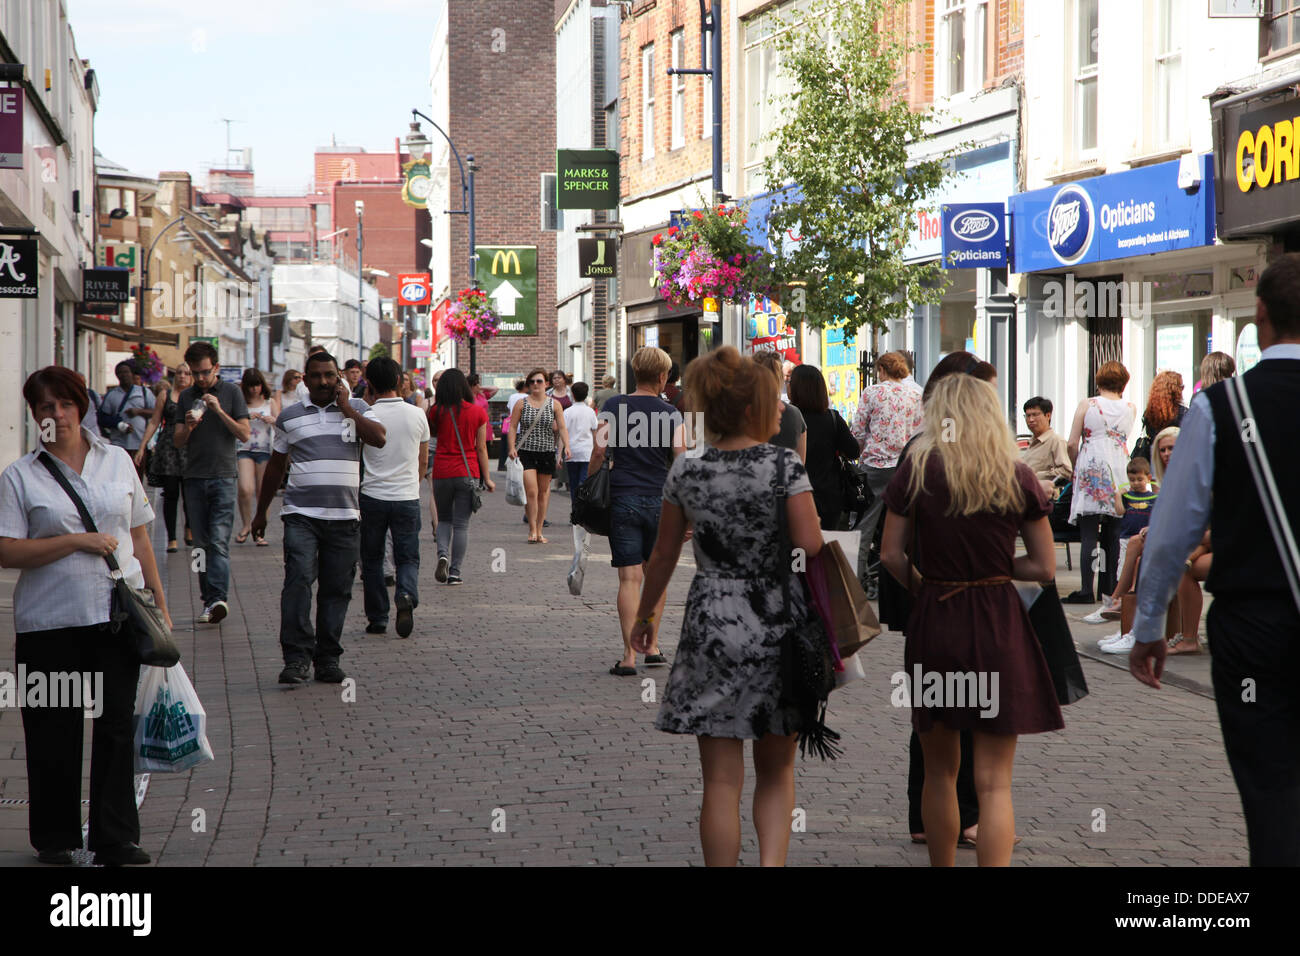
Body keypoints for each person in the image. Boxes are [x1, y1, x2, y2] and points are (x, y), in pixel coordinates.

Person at [1129, 253, 1300, 866]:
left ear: (1258, 318)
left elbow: (1172, 530)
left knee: (1273, 794)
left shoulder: (1223, 408)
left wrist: (1150, 627)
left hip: (1256, 627)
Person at [631, 346, 821, 866]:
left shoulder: (688, 468)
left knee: (718, 780)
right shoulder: (783, 465)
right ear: (749, 408)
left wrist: (646, 618)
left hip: (711, 618)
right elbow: (810, 544)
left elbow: (664, 554)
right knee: (778, 770)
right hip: (776, 617)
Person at [880, 373, 1061, 867]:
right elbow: (1044, 568)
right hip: (998, 623)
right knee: (995, 781)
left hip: (937, 621)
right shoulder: (1014, 473)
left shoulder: (918, 468)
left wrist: (929, 584)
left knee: (940, 771)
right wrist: (995, 569)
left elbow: (890, 555)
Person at [0, 366, 169, 866]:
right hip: (49, 624)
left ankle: (115, 838)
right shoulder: (19, 476)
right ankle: (55, 838)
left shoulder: (117, 461)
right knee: (54, 728)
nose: (56, 415)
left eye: (65, 404)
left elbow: (140, 536)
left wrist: (159, 603)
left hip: (115, 618)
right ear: (34, 417)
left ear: (82, 406)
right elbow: (7, 551)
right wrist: (76, 541)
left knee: (116, 727)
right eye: (45, 408)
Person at [251, 351, 386, 685]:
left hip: (345, 517)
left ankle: (327, 658)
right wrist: (261, 513)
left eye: (329, 375)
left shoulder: (359, 410)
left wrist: (347, 408)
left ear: (338, 376)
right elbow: (276, 467)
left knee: (337, 589)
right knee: (298, 581)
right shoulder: (290, 418)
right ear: (305, 379)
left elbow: (379, 439)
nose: (323, 382)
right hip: (301, 515)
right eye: (316, 376)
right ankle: (296, 658)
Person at [589, 346, 683, 677]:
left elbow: (599, 451)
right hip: (661, 501)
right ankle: (653, 647)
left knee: (629, 578)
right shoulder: (671, 413)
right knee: (655, 575)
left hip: (624, 498)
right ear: (662, 377)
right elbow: (682, 459)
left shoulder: (612, 405)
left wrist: (588, 488)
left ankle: (628, 655)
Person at [174, 341, 250, 625]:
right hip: (194, 478)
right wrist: (189, 428)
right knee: (200, 545)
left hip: (223, 476)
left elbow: (244, 434)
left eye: (205, 372)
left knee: (217, 541)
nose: (201, 379)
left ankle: (218, 598)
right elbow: (178, 441)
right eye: (196, 373)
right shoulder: (186, 397)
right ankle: (209, 600)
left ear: (216, 367)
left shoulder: (231, 392)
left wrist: (218, 411)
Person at [359, 357, 429, 637]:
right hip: (406, 496)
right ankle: (406, 594)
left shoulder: (366, 415)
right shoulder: (417, 414)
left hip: (372, 495)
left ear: (370, 384)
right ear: (400, 381)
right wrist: (413, 483)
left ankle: (377, 617)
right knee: (408, 556)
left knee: (373, 559)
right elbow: (423, 461)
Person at [850, 350, 925, 592]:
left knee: (863, 527)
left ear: (882, 370)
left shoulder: (872, 392)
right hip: (905, 468)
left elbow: (858, 431)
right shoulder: (915, 394)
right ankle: (905, 584)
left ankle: (855, 584)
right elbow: (919, 433)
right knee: (905, 529)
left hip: (875, 466)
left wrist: (857, 455)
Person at [1064, 360, 1136, 606]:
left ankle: (1086, 588)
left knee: (1088, 533)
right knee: (1114, 532)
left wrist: (1074, 466)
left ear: (1099, 380)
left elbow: (1072, 443)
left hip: (1092, 467)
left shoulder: (1088, 404)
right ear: (1124, 382)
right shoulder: (1130, 407)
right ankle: (1109, 588)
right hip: (1118, 468)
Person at [429, 368, 494, 587]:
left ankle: (442, 555)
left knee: (444, 519)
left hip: (441, 472)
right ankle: (455, 572)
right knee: (462, 525)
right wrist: (488, 478)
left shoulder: (435, 411)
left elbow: (434, 435)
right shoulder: (477, 412)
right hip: (467, 472)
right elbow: (482, 448)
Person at [1086, 457, 1157, 627]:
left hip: (1144, 539)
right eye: (1132, 480)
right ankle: (1116, 605)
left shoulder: (1154, 496)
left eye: (1140, 479)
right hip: (1127, 538)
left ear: (1148, 478)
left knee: (1137, 573)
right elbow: (1119, 512)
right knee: (1123, 571)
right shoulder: (1127, 496)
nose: (1136, 483)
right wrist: (1117, 495)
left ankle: (1115, 604)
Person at [787, 364, 860, 530]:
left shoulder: (787, 419)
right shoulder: (832, 419)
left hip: (795, 495)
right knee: (826, 549)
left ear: (797, 388)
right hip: (829, 497)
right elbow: (854, 451)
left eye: (790, 382)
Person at [507, 367, 569, 544]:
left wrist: (566, 447)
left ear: (546, 384)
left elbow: (563, 427)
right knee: (531, 491)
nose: (535, 384)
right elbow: (512, 427)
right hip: (526, 451)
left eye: (539, 381)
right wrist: (511, 447)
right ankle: (532, 529)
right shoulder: (521, 403)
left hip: (547, 452)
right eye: (532, 381)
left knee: (543, 492)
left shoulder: (554, 404)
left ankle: (540, 529)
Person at [138, 363, 193, 552]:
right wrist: (142, 446)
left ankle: (189, 527)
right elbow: (154, 421)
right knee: (170, 493)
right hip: (168, 447)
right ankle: (172, 538)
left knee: (190, 493)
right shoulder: (165, 395)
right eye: (179, 373)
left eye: (187, 373)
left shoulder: (196, 396)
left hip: (190, 446)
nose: (183, 376)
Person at [235, 368, 276, 546]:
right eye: (250, 386)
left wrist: (272, 420)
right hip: (243, 448)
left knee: (262, 492)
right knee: (245, 488)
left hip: (264, 449)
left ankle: (260, 530)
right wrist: (246, 417)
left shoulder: (270, 402)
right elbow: (233, 423)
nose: (254, 389)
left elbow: (280, 423)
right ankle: (246, 525)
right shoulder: (240, 402)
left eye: (257, 385)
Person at [98, 360, 155, 480]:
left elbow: (156, 412)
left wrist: (139, 411)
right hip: (119, 445)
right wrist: (119, 425)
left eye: (126, 372)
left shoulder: (144, 393)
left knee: (137, 479)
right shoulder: (112, 395)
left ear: (132, 374)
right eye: (120, 372)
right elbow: (102, 418)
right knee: (120, 478)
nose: (123, 375)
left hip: (139, 445)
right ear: (117, 375)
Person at [752, 349, 807, 460]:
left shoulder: (743, 413)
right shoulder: (795, 414)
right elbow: (801, 462)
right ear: (779, 378)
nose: (780, 409)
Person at [1020, 396, 1073, 498]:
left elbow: (1067, 471)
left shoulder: (1056, 441)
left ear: (1048, 416)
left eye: (1035, 415)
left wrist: (1036, 476)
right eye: (1027, 416)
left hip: (1046, 501)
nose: (1030, 420)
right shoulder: (1030, 444)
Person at [1132, 370, 1187, 461]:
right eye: (1181, 387)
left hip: (1154, 460)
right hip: (1176, 461)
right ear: (1175, 390)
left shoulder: (1149, 413)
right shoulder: (1183, 413)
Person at [563, 381, 597, 500]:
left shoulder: (567, 412)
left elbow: (563, 433)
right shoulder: (590, 412)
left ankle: (575, 509)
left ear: (572, 394)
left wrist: (558, 455)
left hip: (571, 452)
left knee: (573, 483)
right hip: (587, 451)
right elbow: (594, 432)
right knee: (584, 482)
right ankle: (583, 509)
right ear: (586, 394)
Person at [498, 378, 527, 472]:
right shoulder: (527, 397)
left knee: (512, 448)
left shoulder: (512, 396)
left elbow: (509, 409)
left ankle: (511, 467)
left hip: (512, 427)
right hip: (523, 428)